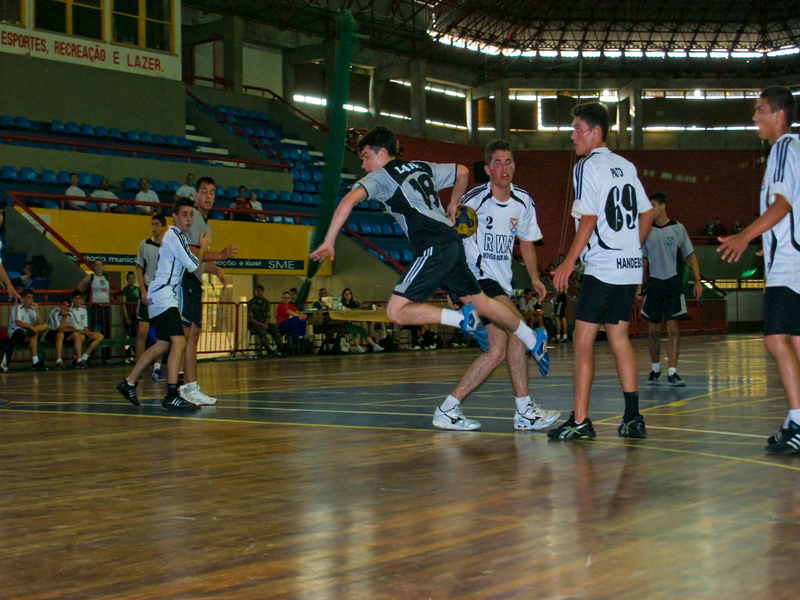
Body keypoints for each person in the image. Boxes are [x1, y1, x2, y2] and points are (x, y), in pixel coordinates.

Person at [309, 125, 549, 431]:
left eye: (366, 156)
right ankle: (531, 339)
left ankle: (461, 321)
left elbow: (346, 202)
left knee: (395, 311)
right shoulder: (422, 166)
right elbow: (462, 171)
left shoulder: (382, 175)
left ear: (382, 154)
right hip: (452, 244)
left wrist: (329, 241)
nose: (364, 164)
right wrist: (454, 203)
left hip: (433, 244)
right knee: (483, 303)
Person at [549, 102, 654, 441]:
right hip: (629, 267)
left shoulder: (587, 166)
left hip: (604, 267)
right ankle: (632, 418)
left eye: (578, 128)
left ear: (595, 132)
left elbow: (589, 218)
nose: (572, 135)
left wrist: (568, 262)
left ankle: (580, 420)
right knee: (619, 338)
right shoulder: (625, 165)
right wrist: (630, 248)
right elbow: (647, 214)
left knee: (582, 341)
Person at [442, 139, 559, 431]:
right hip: (476, 278)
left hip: (502, 283)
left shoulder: (523, 201)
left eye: (508, 162)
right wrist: (451, 289)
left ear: (514, 166)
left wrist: (533, 277)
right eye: (497, 163)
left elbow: (527, 243)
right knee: (518, 327)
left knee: (497, 351)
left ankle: (448, 408)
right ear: (487, 169)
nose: (503, 168)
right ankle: (524, 410)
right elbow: (452, 241)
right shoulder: (474, 201)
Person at [717, 86, 800, 456]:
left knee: (775, 338)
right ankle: (796, 418)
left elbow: (781, 204)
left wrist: (744, 237)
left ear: (778, 115)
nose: (754, 117)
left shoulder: (783, 148)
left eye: (759, 110)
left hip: (790, 263)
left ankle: (798, 421)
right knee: (795, 341)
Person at [117, 197, 211, 410]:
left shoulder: (177, 238)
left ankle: (129, 382)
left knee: (162, 343)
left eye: (191, 215)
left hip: (160, 297)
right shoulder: (173, 236)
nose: (188, 219)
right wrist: (203, 247)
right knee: (178, 342)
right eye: (184, 214)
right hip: (163, 297)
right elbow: (193, 266)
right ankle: (171, 394)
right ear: (175, 217)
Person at [179, 179, 236, 406]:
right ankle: (181, 387)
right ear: (195, 194)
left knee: (192, 336)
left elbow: (200, 259)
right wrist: (220, 256)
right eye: (204, 192)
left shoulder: (206, 223)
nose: (209, 196)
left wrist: (214, 269)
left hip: (194, 282)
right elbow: (192, 253)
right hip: (183, 281)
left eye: (212, 192)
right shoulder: (192, 217)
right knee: (182, 338)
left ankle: (191, 387)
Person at [640, 192, 703, 387]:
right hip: (654, 284)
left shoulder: (678, 228)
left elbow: (690, 254)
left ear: (663, 206)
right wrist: (638, 283)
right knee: (652, 329)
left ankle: (673, 373)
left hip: (673, 283)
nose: (650, 209)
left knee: (673, 327)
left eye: (653, 205)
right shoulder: (646, 231)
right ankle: (656, 369)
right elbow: (643, 260)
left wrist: (699, 281)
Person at [135, 215, 168, 381]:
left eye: (157, 224)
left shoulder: (168, 246)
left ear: (163, 227)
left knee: (161, 333)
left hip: (162, 292)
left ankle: (156, 368)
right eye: (152, 224)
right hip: (148, 289)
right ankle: (139, 368)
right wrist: (143, 291)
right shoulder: (144, 244)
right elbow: (139, 269)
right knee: (142, 331)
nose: (154, 227)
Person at [78, 259, 111, 362]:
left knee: (106, 331)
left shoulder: (106, 277)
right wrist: (81, 300)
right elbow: (79, 286)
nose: (98, 267)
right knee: (91, 331)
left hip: (105, 307)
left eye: (100, 265)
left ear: (103, 266)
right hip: (94, 307)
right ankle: (89, 356)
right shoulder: (91, 277)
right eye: (96, 265)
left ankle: (106, 356)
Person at [6, 289, 48, 371]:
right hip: (16, 331)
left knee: (45, 326)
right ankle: (36, 362)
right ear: (23, 299)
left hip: (29, 331)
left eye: (32, 298)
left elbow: (40, 323)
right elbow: (18, 322)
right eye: (28, 297)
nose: (31, 300)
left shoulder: (32, 309)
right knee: (33, 333)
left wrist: (36, 310)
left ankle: (35, 362)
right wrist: (30, 327)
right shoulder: (17, 307)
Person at [340, 288, 383, 353]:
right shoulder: (341, 303)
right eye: (346, 294)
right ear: (343, 295)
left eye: (349, 294)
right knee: (354, 329)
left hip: (350, 323)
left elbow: (357, 310)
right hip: (343, 323)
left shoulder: (353, 303)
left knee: (362, 330)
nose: (348, 295)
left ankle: (374, 345)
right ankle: (357, 346)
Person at [45, 297, 84, 370]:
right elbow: (59, 329)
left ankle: (79, 360)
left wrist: (69, 328)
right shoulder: (55, 312)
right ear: (60, 305)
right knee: (60, 334)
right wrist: (66, 317)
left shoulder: (71, 313)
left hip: (64, 333)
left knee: (76, 335)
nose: (66, 308)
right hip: (51, 333)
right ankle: (58, 361)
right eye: (64, 305)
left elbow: (76, 328)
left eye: (68, 306)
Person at [69, 289, 104, 368]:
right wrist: (86, 333)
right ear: (73, 300)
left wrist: (88, 333)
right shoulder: (70, 311)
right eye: (76, 299)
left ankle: (84, 357)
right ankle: (77, 358)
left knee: (99, 336)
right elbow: (75, 327)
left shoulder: (84, 309)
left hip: (84, 331)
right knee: (80, 337)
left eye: (79, 298)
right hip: (76, 332)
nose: (77, 301)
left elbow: (85, 325)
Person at [247, 284, 277, 356]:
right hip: (254, 325)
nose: (259, 292)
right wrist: (262, 325)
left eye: (260, 291)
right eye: (257, 291)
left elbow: (268, 316)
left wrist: (266, 324)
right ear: (255, 292)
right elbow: (251, 318)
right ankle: (268, 350)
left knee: (275, 328)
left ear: (263, 292)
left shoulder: (266, 302)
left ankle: (280, 348)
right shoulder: (251, 303)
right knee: (261, 330)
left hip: (264, 324)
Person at [118, 271, 140, 362]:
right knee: (129, 335)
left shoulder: (138, 289)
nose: (132, 280)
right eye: (130, 278)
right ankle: (129, 354)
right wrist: (126, 317)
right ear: (127, 280)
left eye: (133, 278)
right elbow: (124, 304)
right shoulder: (125, 290)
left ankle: (136, 354)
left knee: (137, 335)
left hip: (137, 316)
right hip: (130, 315)